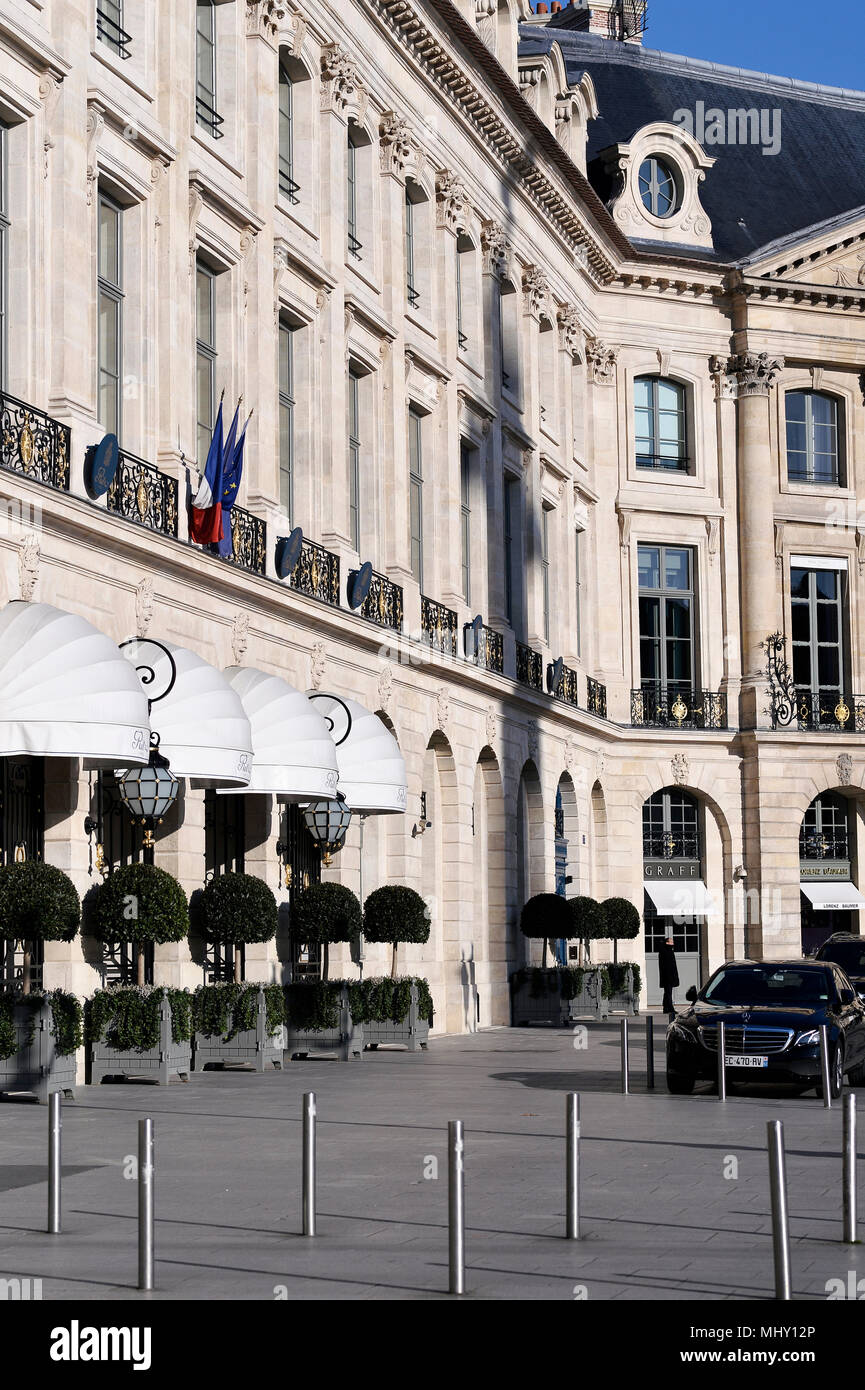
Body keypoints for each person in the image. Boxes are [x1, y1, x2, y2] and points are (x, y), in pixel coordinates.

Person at [658, 936, 679, 1021]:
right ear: (667, 943)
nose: (673, 943)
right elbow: (667, 966)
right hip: (667, 976)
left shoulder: (669, 950)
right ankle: (670, 1008)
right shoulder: (665, 951)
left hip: (670, 975)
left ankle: (666, 1007)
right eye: (671, 942)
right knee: (668, 992)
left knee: (667, 992)